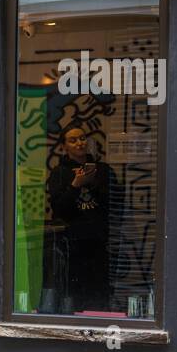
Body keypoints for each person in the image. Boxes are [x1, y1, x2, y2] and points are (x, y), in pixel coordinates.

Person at [45, 122, 116, 313]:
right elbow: (59, 209)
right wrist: (76, 185)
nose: (79, 143)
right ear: (64, 146)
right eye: (73, 140)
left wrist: (92, 183)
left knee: (100, 290)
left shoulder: (103, 170)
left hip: (100, 240)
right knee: (74, 291)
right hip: (72, 243)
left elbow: (116, 203)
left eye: (82, 138)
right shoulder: (59, 174)